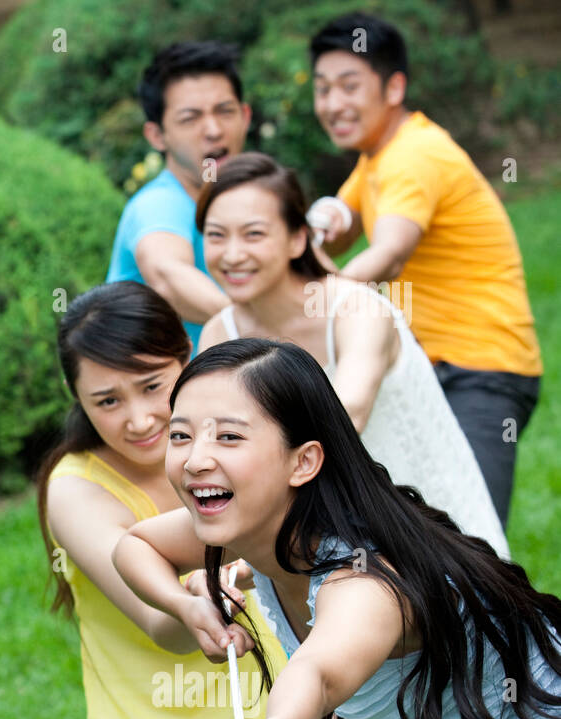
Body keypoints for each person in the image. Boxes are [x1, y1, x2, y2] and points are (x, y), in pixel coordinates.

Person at [112, 338, 561, 719]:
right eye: (182, 435)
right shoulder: (256, 524)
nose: (195, 459)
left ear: (303, 461)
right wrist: (188, 604)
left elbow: (320, 672)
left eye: (229, 436)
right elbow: (134, 544)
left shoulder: (365, 581)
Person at [36, 281, 360, 719]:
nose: (139, 419)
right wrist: (192, 603)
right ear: (77, 401)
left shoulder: (240, 449)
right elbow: (159, 625)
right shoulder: (75, 489)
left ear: (187, 360)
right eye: (106, 401)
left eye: (154, 387)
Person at [196, 152, 510, 559]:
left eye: (253, 234)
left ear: (297, 239)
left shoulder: (357, 309)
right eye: (216, 235)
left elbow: (348, 412)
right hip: (322, 532)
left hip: (430, 519)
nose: (232, 254)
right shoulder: (220, 333)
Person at [306, 12, 542, 530]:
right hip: (431, 366)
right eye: (323, 89)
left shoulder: (412, 156)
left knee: (472, 539)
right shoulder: (379, 157)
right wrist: (325, 218)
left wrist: (310, 307)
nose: (332, 104)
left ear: (394, 87)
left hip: (479, 370)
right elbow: (343, 226)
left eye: (349, 86)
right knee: (422, 533)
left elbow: (387, 252)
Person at [106, 42, 251, 351]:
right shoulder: (159, 204)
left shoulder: (256, 199)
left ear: (245, 116)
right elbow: (167, 275)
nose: (213, 130)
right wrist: (258, 325)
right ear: (157, 136)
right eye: (190, 118)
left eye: (225, 111)